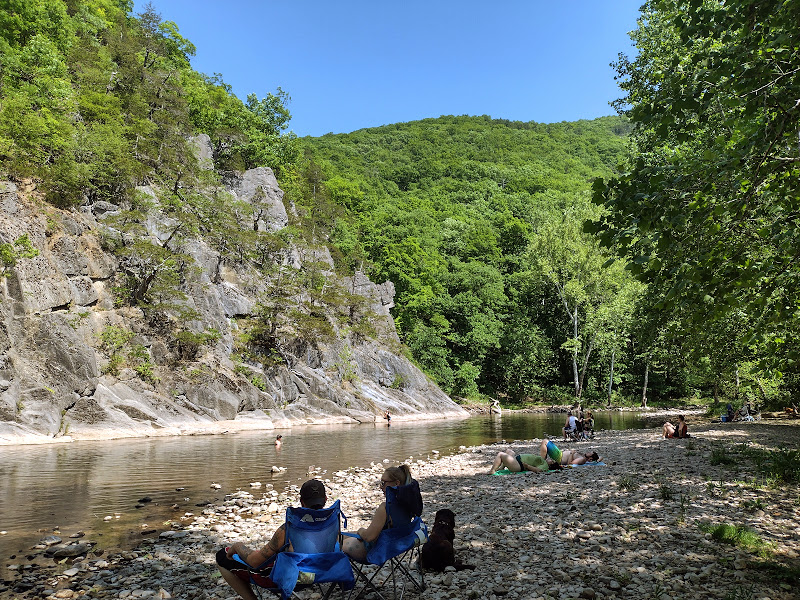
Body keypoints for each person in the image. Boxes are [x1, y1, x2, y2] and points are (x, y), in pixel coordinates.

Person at [216, 479, 328, 600]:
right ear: (325, 500)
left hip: (292, 578)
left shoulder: (288, 529)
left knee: (222, 555)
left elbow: (254, 562)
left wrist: (237, 546)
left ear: (301, 502)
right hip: (318, 575)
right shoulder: (332, 523)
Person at [342, 464, 418, 561]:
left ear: (396, 483)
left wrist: (360, 530)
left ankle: (328, 574)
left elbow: (369, 537)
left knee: (334, 543)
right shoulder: (408, 503)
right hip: (395, 544)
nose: (380, 487)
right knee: (339, 535)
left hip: (375, 550)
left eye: (384, 483)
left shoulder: (386, 508)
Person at [488, 448, 561, 474]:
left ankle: (492, 471)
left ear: (551, 464)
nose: (550, 459)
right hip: (517, 460)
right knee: (509, 451)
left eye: (552, 461)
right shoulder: (543, 461)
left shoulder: (545, 466)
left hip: (518, 465)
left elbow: (538, 470)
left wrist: (527, 466)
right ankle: (501, 467)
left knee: (500, 454)